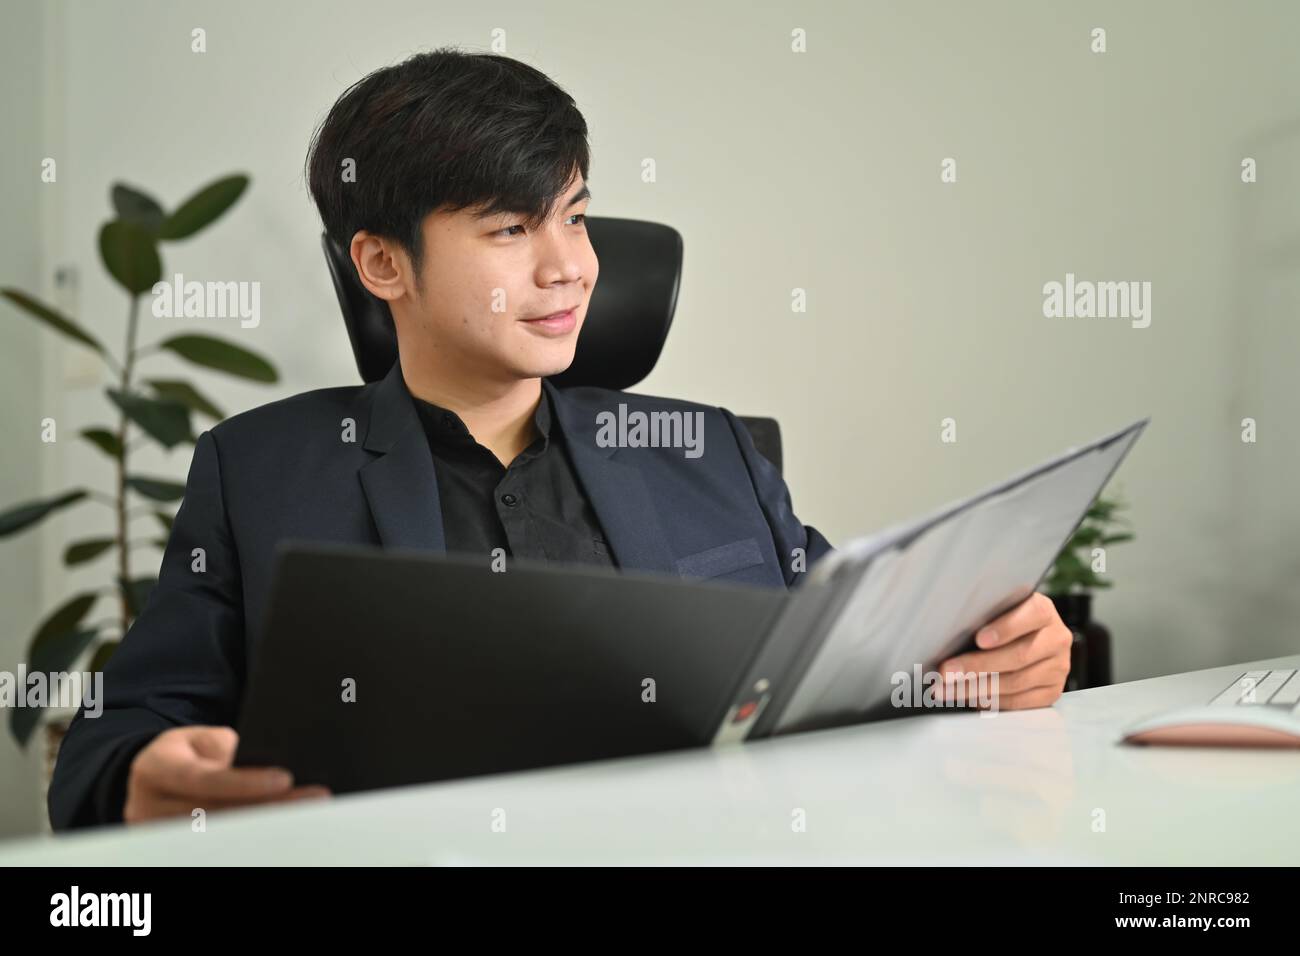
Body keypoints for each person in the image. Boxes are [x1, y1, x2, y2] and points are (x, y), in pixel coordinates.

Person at [48, 47, 1072, 829]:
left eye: (574, 217)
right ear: (381, 264)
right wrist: (146, 774)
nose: (569, 266)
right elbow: (110, 742)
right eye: (509, 230)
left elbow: (849, 665)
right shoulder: (261, 470)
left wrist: (987, 663)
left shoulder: (705, 449)